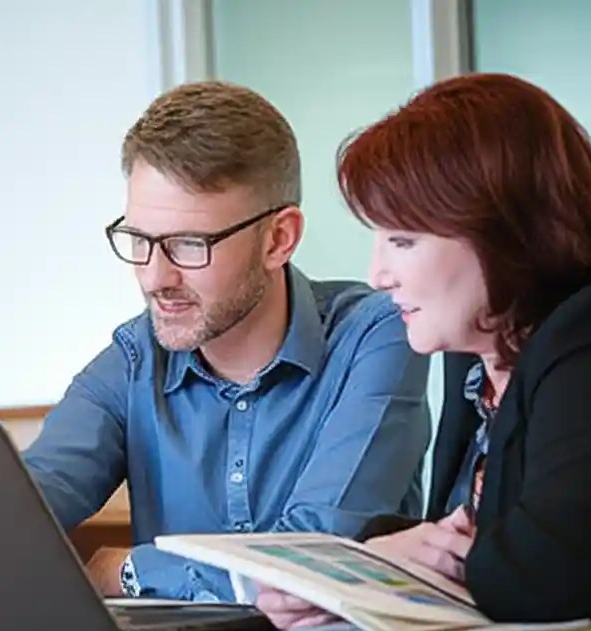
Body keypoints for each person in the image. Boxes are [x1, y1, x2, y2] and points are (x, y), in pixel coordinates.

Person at [257, 73, 591, 631]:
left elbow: (556, 573)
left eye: (403, 241)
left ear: (501, 229)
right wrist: (344, 573)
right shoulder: (482, 352)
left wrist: (379, 566)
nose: (377, 275)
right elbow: (462, 539)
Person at [23, 81, 431, 602]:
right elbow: (20, 513)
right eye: (140, 241)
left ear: (278, 239)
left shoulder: (376, 336)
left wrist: (130, 570)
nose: (154, 278)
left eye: (189, 245)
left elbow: (313, 559)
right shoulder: (132, 359)